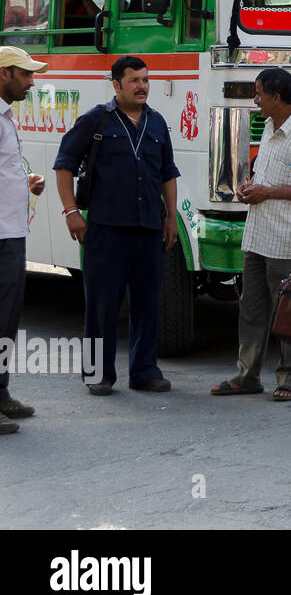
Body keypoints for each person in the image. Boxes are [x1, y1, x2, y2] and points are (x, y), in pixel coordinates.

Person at [54, 56, 179, 396]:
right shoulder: (96, 120)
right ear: (116, 84)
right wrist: (71, 211)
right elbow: (64, 165)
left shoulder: (157, 123)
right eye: (134, 80)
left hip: (149, 229)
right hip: (106, 229)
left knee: (148, 303)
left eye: (146, 80)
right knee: (102, 306)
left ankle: (144, 371)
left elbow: (168, 172)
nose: (142, 86)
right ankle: (98, 374)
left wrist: (170, 218)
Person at [211, 68, 291, 401]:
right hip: (258, 236)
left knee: (289, 312)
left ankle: (290, 379)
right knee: (252, 310)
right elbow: (268, 181)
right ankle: (247, 375)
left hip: (287, 240)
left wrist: (266, 192)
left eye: (259, 94)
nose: (255, 100)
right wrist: (250, 190)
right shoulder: (270, 126)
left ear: (276, 97)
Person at [0, 47, 48, 432]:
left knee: (7, 320)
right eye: (25, 74)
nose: (32, 82)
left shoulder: (7, 116)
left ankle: (1, 395)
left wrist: (25, 185)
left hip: (12, 230)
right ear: (4, 75)